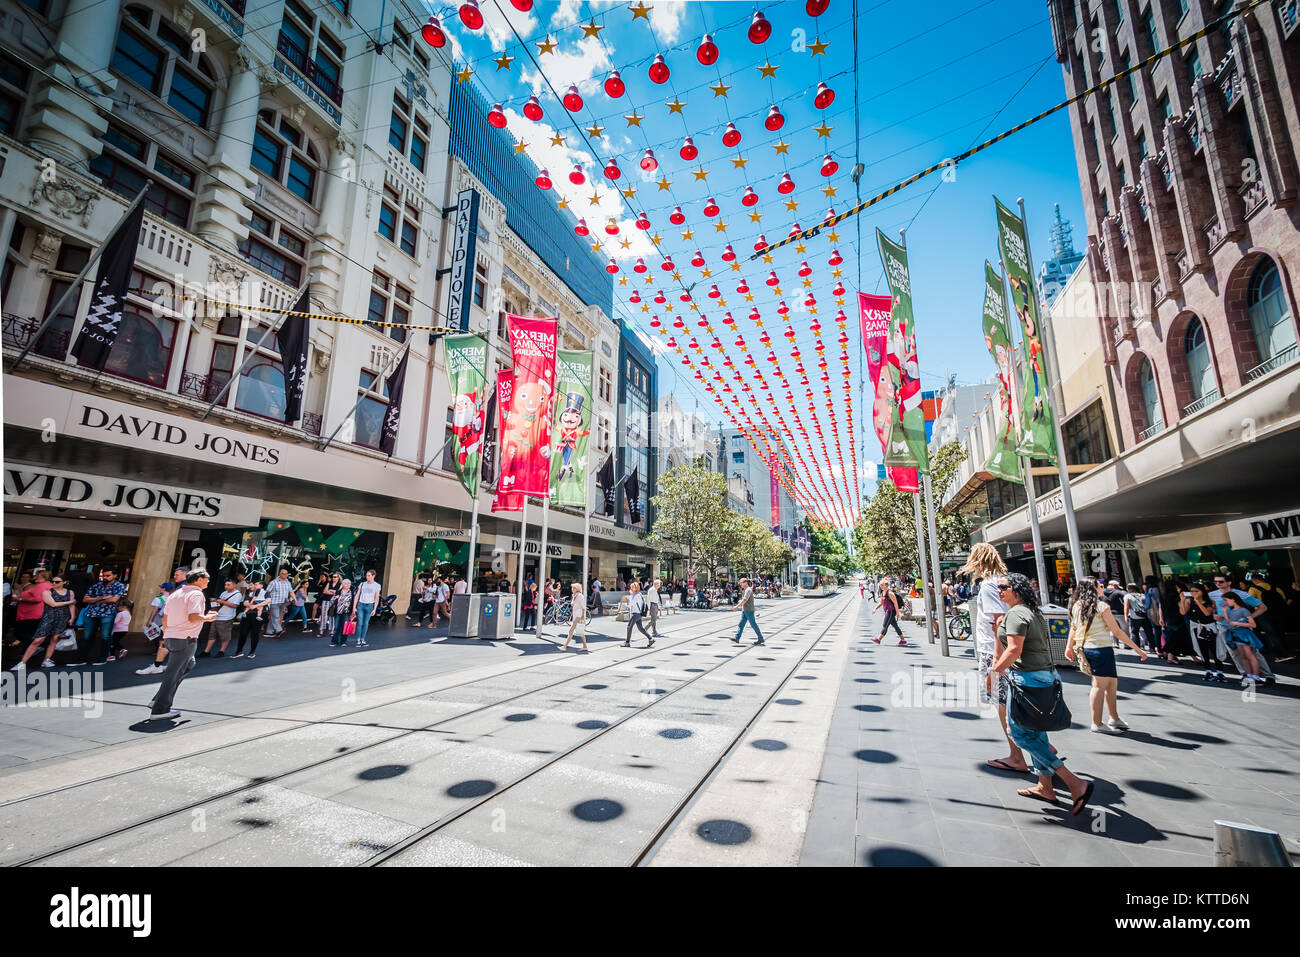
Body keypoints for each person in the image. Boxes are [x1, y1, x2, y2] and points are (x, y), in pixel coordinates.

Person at [988, 573, 1094, 814]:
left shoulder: (1016, 613)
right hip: (1044, 675)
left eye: (1004, 587)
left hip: (1028, 679)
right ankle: (1045, 787)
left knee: (1018, 733)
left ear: (1017, 589)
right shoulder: (1031, 611)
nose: (1000, 591)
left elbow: (1014, 650)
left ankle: (1074, 782)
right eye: (998, 588)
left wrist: (993, 673)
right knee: (1036, 733)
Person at [957, 544, 1027, 772]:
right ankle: (1039, 746)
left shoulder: (989, 586)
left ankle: (1019, 755)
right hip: (1010, 650)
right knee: (1011, 701)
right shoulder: (1009, 581)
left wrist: (996, 665)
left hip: (993, 651)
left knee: (1001, 704)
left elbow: (999, 623)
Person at [1065, 577, 1148, 733]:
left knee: (1110, 684)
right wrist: (1138, 649)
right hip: (1101, 649)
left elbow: (1074, 628)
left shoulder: (1077, 606)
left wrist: (1069, 647)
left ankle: (1114, 717)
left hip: (1090, 649)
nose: (1103, 587)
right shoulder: (1102, 606)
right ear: (1094, 588)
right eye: (1100, 585)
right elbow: (1116, 631)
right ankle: (1097, 723)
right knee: (1099, 686)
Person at [146, 569, 218, 722]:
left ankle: (158, 699)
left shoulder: (175, 594)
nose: (208, 580)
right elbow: (193, 617)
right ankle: (160, 709)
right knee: (173, 673)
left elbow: (165, 617)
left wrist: (166, 633)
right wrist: (208, 617)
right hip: (185, 637)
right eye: (207, 578)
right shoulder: (197, 594)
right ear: (198, 579)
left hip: (172, 635)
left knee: (188, 665)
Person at [1209, 574, 1276, 684]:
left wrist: (1247, 618)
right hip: (1224, 626)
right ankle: (1245, 674)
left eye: (1220, 582)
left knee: (1253, 652)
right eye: (1215, 582)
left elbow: (1263, 607)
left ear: (1229, 583)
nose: (1217, 584)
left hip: (1242, 629)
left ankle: (1269, 676)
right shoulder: (1212, 595)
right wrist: (1214, 615)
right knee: (1234, 653)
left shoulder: (1241, 594)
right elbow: (1211, 609)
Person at [12, 573, 74, 670]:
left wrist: (72, 617)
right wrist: (70, 602)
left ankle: (47, 660)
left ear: (65, 582)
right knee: (38, 639)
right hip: (49, 617)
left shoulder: (70, 592)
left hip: (63, 617)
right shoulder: (47, 592)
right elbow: (53, 604)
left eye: (57, 582)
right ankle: (22, 663)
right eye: (53, 581)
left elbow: (72, 606)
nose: (53, 583)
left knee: (55, 638)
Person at [82, 568, 126, 665]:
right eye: (104, 576)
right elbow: (85, 599)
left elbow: (114, 600)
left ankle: (103, 658)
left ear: (115, 576)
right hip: (91, 613)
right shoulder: (97, 585)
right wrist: (103, 598)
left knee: (105, 636)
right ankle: (82, 659)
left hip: (108, 613)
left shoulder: (119, 586)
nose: (105, 577)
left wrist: (94, 600)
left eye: (108, 576)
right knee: (87, 637)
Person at [1184, 581, 1226, 682]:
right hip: (1197, 628)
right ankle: (1208, 671)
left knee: (1215, 650)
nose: (1194, 593)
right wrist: (1182, 601)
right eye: (1192, 591)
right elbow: (1183, 612)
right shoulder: (1189, 601)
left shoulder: (1210, 602)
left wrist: (1198, 601)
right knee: (1203, 650)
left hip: (1210, 627)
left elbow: (1207, 613)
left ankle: (1220, 672)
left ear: (1202, 591)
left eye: (1196, 591)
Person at [1221, 592, 1266, 685]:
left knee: (1250, 656)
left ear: (1233, 599)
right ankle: (1249, 675)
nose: (1225, 602)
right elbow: (1229, 623)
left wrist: (1237, 623)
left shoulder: (1243, 610)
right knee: (1244, 657)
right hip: (1236, 635)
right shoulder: (1232, 610)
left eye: (1226, 600)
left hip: (1244, 635)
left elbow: (1253, 625)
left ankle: (1256, 677)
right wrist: (1225, 612)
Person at [200, 578, 242, 658]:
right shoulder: (224, 593)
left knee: (225, 636)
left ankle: (221, 651)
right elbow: (219, 603)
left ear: (234, 585)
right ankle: (206, 651)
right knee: (212, 634)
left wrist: (222, 602)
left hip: (226, 617)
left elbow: (235, 605)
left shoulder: (237, 594)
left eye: (228, 585)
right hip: (217, 616)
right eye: (225, 585)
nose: (226, 586)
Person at [233, 578, 268, 659]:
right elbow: (245, 603)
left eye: (255, 584)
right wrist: (251, 606)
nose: (253, 585)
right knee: (243, 633)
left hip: (258, 615)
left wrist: (254, 606)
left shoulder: (265, 593)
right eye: (253, 584)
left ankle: (252, 652)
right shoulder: (250, 593)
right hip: (247, 615)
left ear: (261, 585)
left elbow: (268, 601)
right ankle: (239, 651)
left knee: (255, 634)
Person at [1158, 579, 1189, 663]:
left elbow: (1160, 607)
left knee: (1173, 637)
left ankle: (1166, 653)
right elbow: (1180, 606)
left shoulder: (1163, 595)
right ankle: (1169, 655)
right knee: (1176, 637)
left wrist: (1161, 618)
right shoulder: (1175, 595)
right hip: (1177, 618)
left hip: (1168, 619)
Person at [1123, 583, 1157, 654]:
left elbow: (1126, 606)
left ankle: (1137, 648)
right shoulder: (1142, 595)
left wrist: (1126, 616)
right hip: (1145, 616)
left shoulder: (1127, 596)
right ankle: (1152, 648)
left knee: (1135, 632)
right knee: (1149, 632)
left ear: (1129, 589)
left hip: (1135, 616)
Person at [730, 577, 764, 646]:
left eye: (741, 583)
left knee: (753, 625)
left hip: (749, 610)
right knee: (741, 624)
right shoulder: (745, 590)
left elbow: (744, 600)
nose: (740, 584)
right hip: (745, 610)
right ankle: (737, 638)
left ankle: (760, 638)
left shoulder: (748, 590)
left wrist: (736, 607)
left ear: (745, 583)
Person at [353, 569, 382, 647]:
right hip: (361, 605)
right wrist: (354, 607)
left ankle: (363, 639)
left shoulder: (377, 585)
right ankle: (358, 639)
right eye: (366, 575)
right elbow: (357, 595)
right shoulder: (362, 584)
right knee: (360, 622)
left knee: (366, 623)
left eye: (369, 575)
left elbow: (376, 597)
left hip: (370, 605)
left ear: (373, 576)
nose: (367, 577)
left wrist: (375, 609)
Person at [873, 577, 905, 645]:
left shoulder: (890, 593)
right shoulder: (883, 592)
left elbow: (895, 603)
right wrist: (875, 608)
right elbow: (881, 602)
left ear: (886, 585)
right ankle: (903, 640)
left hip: (891, 611)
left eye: (882, 585)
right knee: (895, 626)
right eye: (880, 585)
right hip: (887, 611)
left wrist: (897, 613)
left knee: (885, 625)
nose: (880, 586)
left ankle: (879, 639)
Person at [263, 567, 293, 638]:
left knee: (275, 617)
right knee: (276, 617)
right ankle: (279, 630)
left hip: (283, 602)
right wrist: (268, 600)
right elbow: (267, 592)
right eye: (283, 574)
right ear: (280, 574)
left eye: (286, 574)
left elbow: (291, 592)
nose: (284, 575)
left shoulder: (288, 582)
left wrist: (294, 599)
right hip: (274, 602)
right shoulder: (273, 582)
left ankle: (269, 632)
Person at [622, 581, 654, 648]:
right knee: (640, 628)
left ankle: (627, 642)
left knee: (629, 627)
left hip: (635, 613)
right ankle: (651, 639)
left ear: (635, 588)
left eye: (632, 587)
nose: (630, 589)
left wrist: (630, 596)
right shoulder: (640, 594)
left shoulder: (636, 596)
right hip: (639, 614)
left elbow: (631, 605)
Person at [562, 582, 589, 652]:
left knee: (571, 630)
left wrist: (582, 616)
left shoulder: (580, 596)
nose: (572, 589)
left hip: (579, 615)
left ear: (576, 589)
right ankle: (585, 646)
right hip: (576, 614)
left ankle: (565, 646)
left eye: (573, 588)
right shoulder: (575, 596)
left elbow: (583, 607)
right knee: (581, 632)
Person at [330, 578, 356, 647]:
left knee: (345, 627)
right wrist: (335, 598)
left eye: (349, 583)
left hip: (347, 612)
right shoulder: (338, 592)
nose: (348, 585)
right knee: (336, 627)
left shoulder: (352, 592)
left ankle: (343, 642)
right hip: (338, 611)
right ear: (343, 584)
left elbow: (353, 602)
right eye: (346, 583)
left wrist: (353, 612)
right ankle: (334, 641)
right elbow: (332, 601)